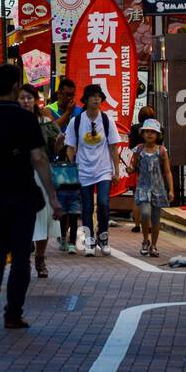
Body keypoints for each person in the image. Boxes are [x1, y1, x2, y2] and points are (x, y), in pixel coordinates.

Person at [0, 62, 63, 329]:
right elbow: (39, 158)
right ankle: (13, 313)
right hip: (22, 192)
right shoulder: (26, 118)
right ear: (14, 87)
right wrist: (53, 197)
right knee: (21, 254)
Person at [65, 83, 122, 257]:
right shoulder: (77, 121)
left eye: (99, 96)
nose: (97, 99)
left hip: (103, 168)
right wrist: (72, 166)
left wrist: (116, 171)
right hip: (83, 169)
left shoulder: (106, 120)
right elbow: (70, 147)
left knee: (104, 203)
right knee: (87, 208)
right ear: (86, 100)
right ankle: (89, 240)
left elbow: (113, 147)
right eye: (93, 96)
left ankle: (103, 237)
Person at [19, 85, 62, 278]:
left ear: (36, 100)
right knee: (23, 219)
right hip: (19, 175)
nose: (26, 101)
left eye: (29, 97)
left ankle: (40, 258)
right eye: (22, 98)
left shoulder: (45, 122)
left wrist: (59, 143)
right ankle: (24, 259)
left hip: (42, 174)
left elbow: (56, 148)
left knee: (44, 217)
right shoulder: (12, 123)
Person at [129, 118, 174, 258]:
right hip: (143, 188)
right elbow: (133, 166)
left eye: (153, 132)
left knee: (156, 219)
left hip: (158, 189)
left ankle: (153, 245)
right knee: (145, 213)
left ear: (158, 135)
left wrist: (171, 190)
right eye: (147, 131)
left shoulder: (162, 151)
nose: (149, 134)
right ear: (142, 134)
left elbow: (167, 171)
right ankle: (145, 240)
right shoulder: (139, 149)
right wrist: (130, 169)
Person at [128, 106, 158, 232]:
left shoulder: (135, 128)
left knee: (137, 195)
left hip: (138, 161)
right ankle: (150, 224)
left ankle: (136, 224)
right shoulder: (157, 128)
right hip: (153, 163)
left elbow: (131, 145)